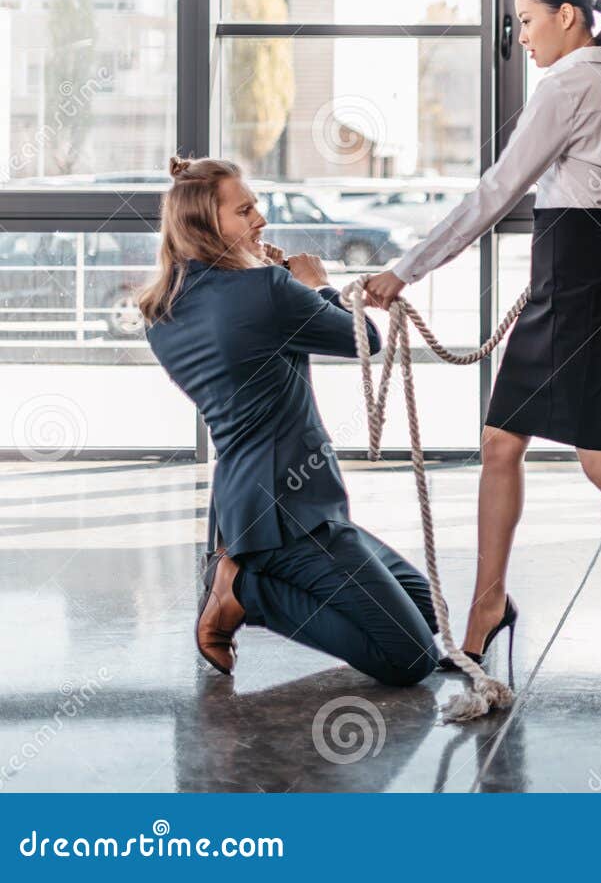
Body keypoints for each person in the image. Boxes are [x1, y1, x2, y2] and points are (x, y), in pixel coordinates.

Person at [362, 0, 601, 683]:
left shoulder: (569, 85)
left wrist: (406, 269)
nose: (520, 37)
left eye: (526, 21)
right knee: (501, 443)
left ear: (567, 15)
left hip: (576, 275)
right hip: (575, 268)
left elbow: (497, 191)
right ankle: (486, 608)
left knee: (600, 458)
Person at [141, 156, 440, 687]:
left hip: (246, 507)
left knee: (426, 608)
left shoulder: (163, 310)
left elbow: (250, 346)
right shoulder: (268, 294)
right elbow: (364, 340)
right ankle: (243, 594)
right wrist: (313, 284)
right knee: (410, 657)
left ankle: (245, 573)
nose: (260, 219)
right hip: (292, 515)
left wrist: (272, 279)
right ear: (207, 225)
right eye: (245, 210)